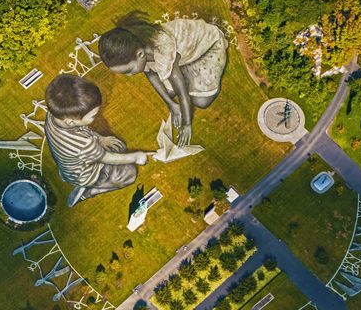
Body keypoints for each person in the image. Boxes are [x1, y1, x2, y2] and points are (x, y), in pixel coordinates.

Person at [99, 12, 228, 146]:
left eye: (129, 71)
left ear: (140, 54)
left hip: (206, 48)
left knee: (201, 101)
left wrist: (187, 124)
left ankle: (202, 73)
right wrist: (171, 104)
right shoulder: (140, 49)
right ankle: (185, 72)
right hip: (180, 58)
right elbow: (150, 73)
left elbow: (182, 93)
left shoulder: (162, 52)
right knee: (169, 90)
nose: (130, 75)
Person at [44, 74, 151, 207]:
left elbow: (82, 130)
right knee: (129, 173)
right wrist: (136, 157)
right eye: (93, 116)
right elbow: (106, 158)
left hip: (71, 167)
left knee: (118, 146)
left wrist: (101, 139)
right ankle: (88, 192)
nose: (95, 117)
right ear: (71, 121)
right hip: (87, 174)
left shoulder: (54, 116)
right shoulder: (83, 144)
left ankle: (87, 183)